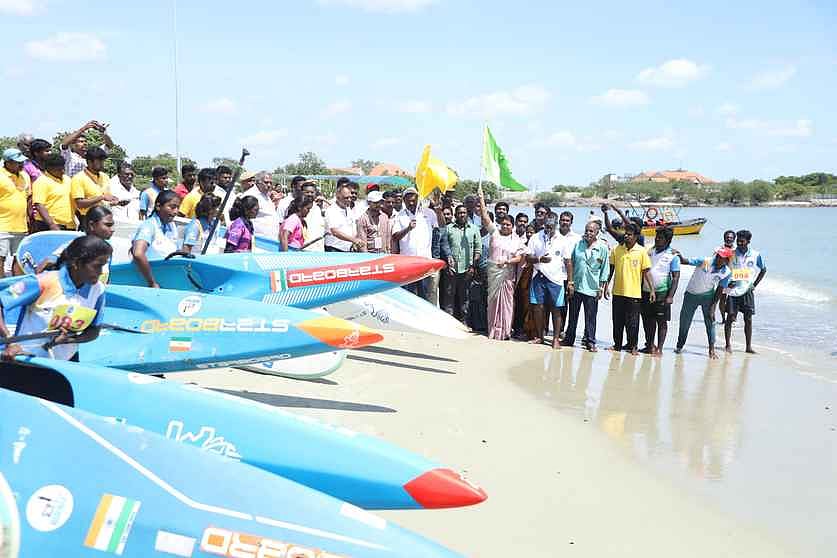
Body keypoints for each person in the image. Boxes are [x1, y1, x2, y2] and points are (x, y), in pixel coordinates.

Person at [0, 235, 111, 361]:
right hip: (27, 359)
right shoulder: (44, 282)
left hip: (66, 362)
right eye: (97, 266)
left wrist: (68, 340)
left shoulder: (98, 290)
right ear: (76, 263)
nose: (101, 272)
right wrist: (9, 341)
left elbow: (93, 331)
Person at [478, 188, 524, 340]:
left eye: (508, 225)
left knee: (507, 303)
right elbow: (485, 218)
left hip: (507, 275)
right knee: (492, 302)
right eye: (503, 224)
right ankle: (492, 330)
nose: (505, 226)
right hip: (493, 274)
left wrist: (507, 261)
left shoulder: (517, 240)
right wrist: (481, 199)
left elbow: (520, 257)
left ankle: (505, 331)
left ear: (513, 226)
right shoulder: (495, 233)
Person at [673, 247, 733, 359]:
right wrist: (679, 256)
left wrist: (713, 307)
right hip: (691, 294)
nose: (719, 259)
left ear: (727, 260)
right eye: (718, 256)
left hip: (708, 296)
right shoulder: (705, 261)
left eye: (723, 258)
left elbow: (720, 290)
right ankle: (679, 346)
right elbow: (686, 261)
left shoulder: (727, 273)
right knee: (685, 322)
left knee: (710, 322)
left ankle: (711, 350)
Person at [526, 214, 573, 349]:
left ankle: (556, 339)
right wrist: (540, 259)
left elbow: (568, 262)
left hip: (556, 280)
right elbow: (528, 258)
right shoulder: (536, 237)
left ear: (556, 225)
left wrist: (570, 282)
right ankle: (540, 337)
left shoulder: (563, 240)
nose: (549, 229)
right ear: (543, 224)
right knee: (538, 307)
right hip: (538, 276)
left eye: (551, 226)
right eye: (546, 226)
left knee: (556, 309)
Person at [607, 223, 653, 355]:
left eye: (629, 234)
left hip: (634, 294)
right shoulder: (617, 249)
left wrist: (652, 290)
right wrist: (605, 286)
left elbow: (646, 272)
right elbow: (611, 269)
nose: (626, 236)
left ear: (636, 236)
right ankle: (617, 345)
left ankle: (633, 346)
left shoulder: (641, 251)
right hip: (617, 292)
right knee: (617, 320)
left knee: (633, 323)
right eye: (625, 233)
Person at [564, 222, 610, 351]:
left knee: (590, 317)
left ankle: (590, 341)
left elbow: (605, 269)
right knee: (572, 315)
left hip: (592, 288)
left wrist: (601, 288)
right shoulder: (578, 244)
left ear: (597, 232)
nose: (588, 233)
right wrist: (570, 282)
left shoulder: (602, 248)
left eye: (591, 231)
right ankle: (569, 339)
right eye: (587, 230)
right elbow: (571, 263)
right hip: (577, 286)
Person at [724, 230, 767, 354]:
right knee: (730, 318)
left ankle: (748, 346)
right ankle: (727, 345)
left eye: (742, 241)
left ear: (748, 241)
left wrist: (754, 285)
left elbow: (763, 269)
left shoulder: (755, 254)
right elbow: (723, 267)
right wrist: (727, 283)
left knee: (748, 319)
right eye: (738, 241)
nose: (740, 243)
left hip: (747, 290)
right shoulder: (731, 253)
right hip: (732, 291)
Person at [391, 187, 439, 298]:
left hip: (425, 262)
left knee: (425, 296)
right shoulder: (400, 216)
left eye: (414, 200)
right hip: (408, 264)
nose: (411, 203)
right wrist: (408, 228)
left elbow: (441, 226)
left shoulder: (429, 213)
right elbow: (395, 236)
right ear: (404, 201)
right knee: (409, 296)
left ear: (418, 199)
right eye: (408, 201)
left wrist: (437, 207)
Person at [640, 227, 680, 356]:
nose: (657, 239)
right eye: (656, 237)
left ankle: (660, 349)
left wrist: (670, 296)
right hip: (646, 290)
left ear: (668, 240)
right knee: (647, 319)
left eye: (660, 238)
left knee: (661, 321)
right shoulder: (649, 251)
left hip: (662, 292)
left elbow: (675, 277)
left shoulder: (673, 255)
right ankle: (650, 345)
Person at [131, 190, 180, 288]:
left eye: (178, 207)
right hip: (147, 284)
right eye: (172, 207)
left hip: (167, 279)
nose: (176, 212)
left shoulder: (171, 226)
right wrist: (151, 282)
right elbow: (138, 253)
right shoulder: (149, 225)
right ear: (158, 206)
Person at [442, 204, 481, 323]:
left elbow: (478, 249)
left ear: (467, 214)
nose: (462, 215)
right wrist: (448, 262)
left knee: (465, 297)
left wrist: (473, 266)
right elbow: (444, 245)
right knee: (448, 296)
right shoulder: (448, 228)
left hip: (467, 269)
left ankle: (464, 322)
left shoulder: (474, 229)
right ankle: (449, 322)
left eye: (464, 213)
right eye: (459, 213)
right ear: (455, 215)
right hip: (451, 269)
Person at [70, 147, 120, 229]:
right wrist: (101, 197)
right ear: (90, 162)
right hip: (88, 220)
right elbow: (79, 204)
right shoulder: (78, 178)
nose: (102, 163)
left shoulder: (105, 177)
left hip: (104, 218)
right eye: (99, 161)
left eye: (103, 161)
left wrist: (113, 201)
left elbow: (106, 198)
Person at [0, 149, 31, 275]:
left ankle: (17, 288)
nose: (21, 165)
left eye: (22, 162)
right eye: (18, 162)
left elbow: (28, 197)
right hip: (2, 225)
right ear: (8, 162)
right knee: (0, 258)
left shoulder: (25, 176)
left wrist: (28, 218)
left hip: (20, 226)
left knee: (18, 258)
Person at [32, 153, 74, 232]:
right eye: (58, 170)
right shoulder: (41, 181)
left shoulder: (67, 179)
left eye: (63, 168)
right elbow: (39, 205)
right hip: (49, 226)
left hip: (69, 225)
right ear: (49, 168)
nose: (62, 171)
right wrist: (51, 224)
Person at [324, 184, 363, 253]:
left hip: (347, 249)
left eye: (350, 197)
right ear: (338, 197)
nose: (349, 200)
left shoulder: (348, 209)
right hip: (334, 250)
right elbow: (335, 232)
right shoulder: (332, 210)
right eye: (346, 198)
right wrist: (353, 240)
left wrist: (354, 241)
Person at [243, 171, 279, 239]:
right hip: (257, 239)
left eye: (270, 183)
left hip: (271, 239)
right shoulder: (250, 195)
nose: (269, 185)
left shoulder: (266, 196)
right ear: (257, 182)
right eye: (266, 182)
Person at [717, 230, 736, 324]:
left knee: (734, 299)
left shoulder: (737, 250)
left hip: (734, 278)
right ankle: (723, 318)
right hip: (723, 278)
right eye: (727, 237)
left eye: (731, 238)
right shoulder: (719, 249)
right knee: (722, 299)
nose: (729, 239)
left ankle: (733, 318)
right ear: (724, 238)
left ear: (734, 239)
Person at [301, 182, 325, 251]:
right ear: (302, 192)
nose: (310, 194)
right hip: (304, 250)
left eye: (312, 192)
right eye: (307, 192)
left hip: (319, 250)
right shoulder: (297, 208)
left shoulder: (317, 209)